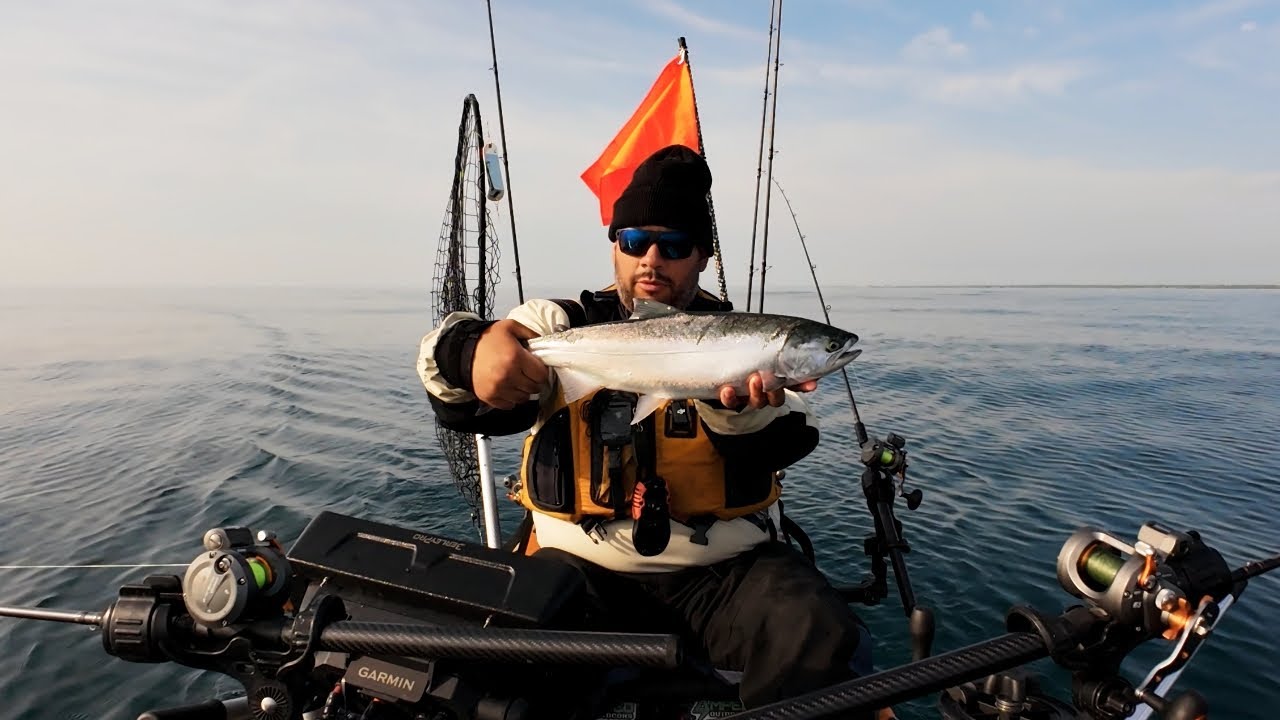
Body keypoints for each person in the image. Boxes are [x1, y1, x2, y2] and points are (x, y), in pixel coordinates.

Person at [416, 144, 872, 710]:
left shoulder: (743, 340)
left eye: (674, 245)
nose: (651, 259)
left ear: (701, 257)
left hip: (725, 574)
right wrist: (474, 352)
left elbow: (786, 440)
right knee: (486, 659)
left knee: (822, 636)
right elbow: (455, 384)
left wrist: (739, 410)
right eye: (634, 242)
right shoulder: (558, 324)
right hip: (580, 570)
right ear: (616, 247)